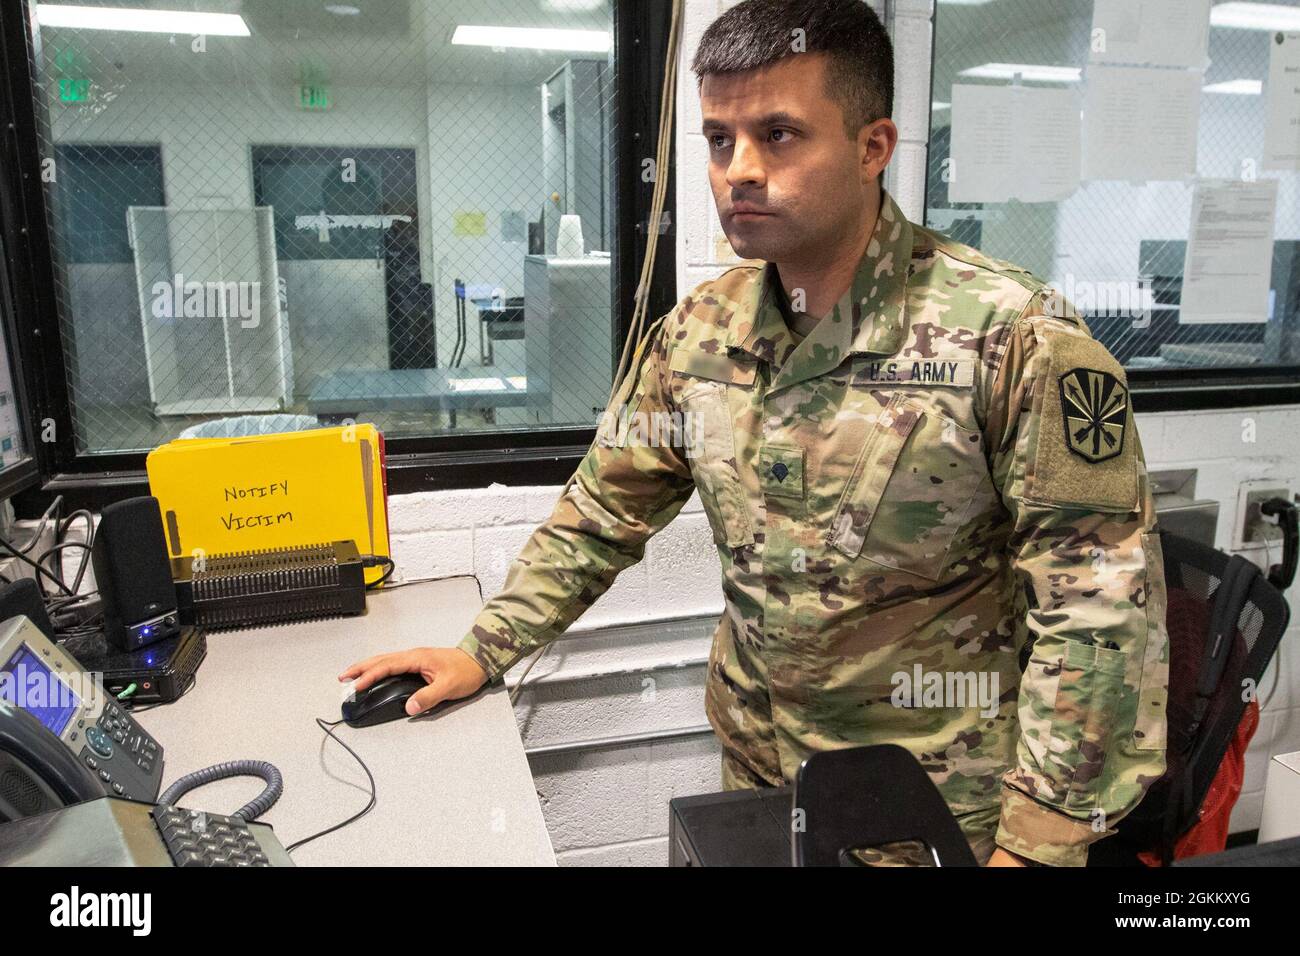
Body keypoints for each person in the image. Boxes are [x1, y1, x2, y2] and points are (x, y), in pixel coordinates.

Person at [341, 0, 1168, 867]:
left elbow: (1099, 612)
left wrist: (1038, 847)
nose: (739, 170)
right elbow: (600, 514)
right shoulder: (701, 333)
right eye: (718, 139)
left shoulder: (1014, 337)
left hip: (934, 808)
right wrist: (482, 650)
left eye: (779, 135)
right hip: (763, 775)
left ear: (871, 147)